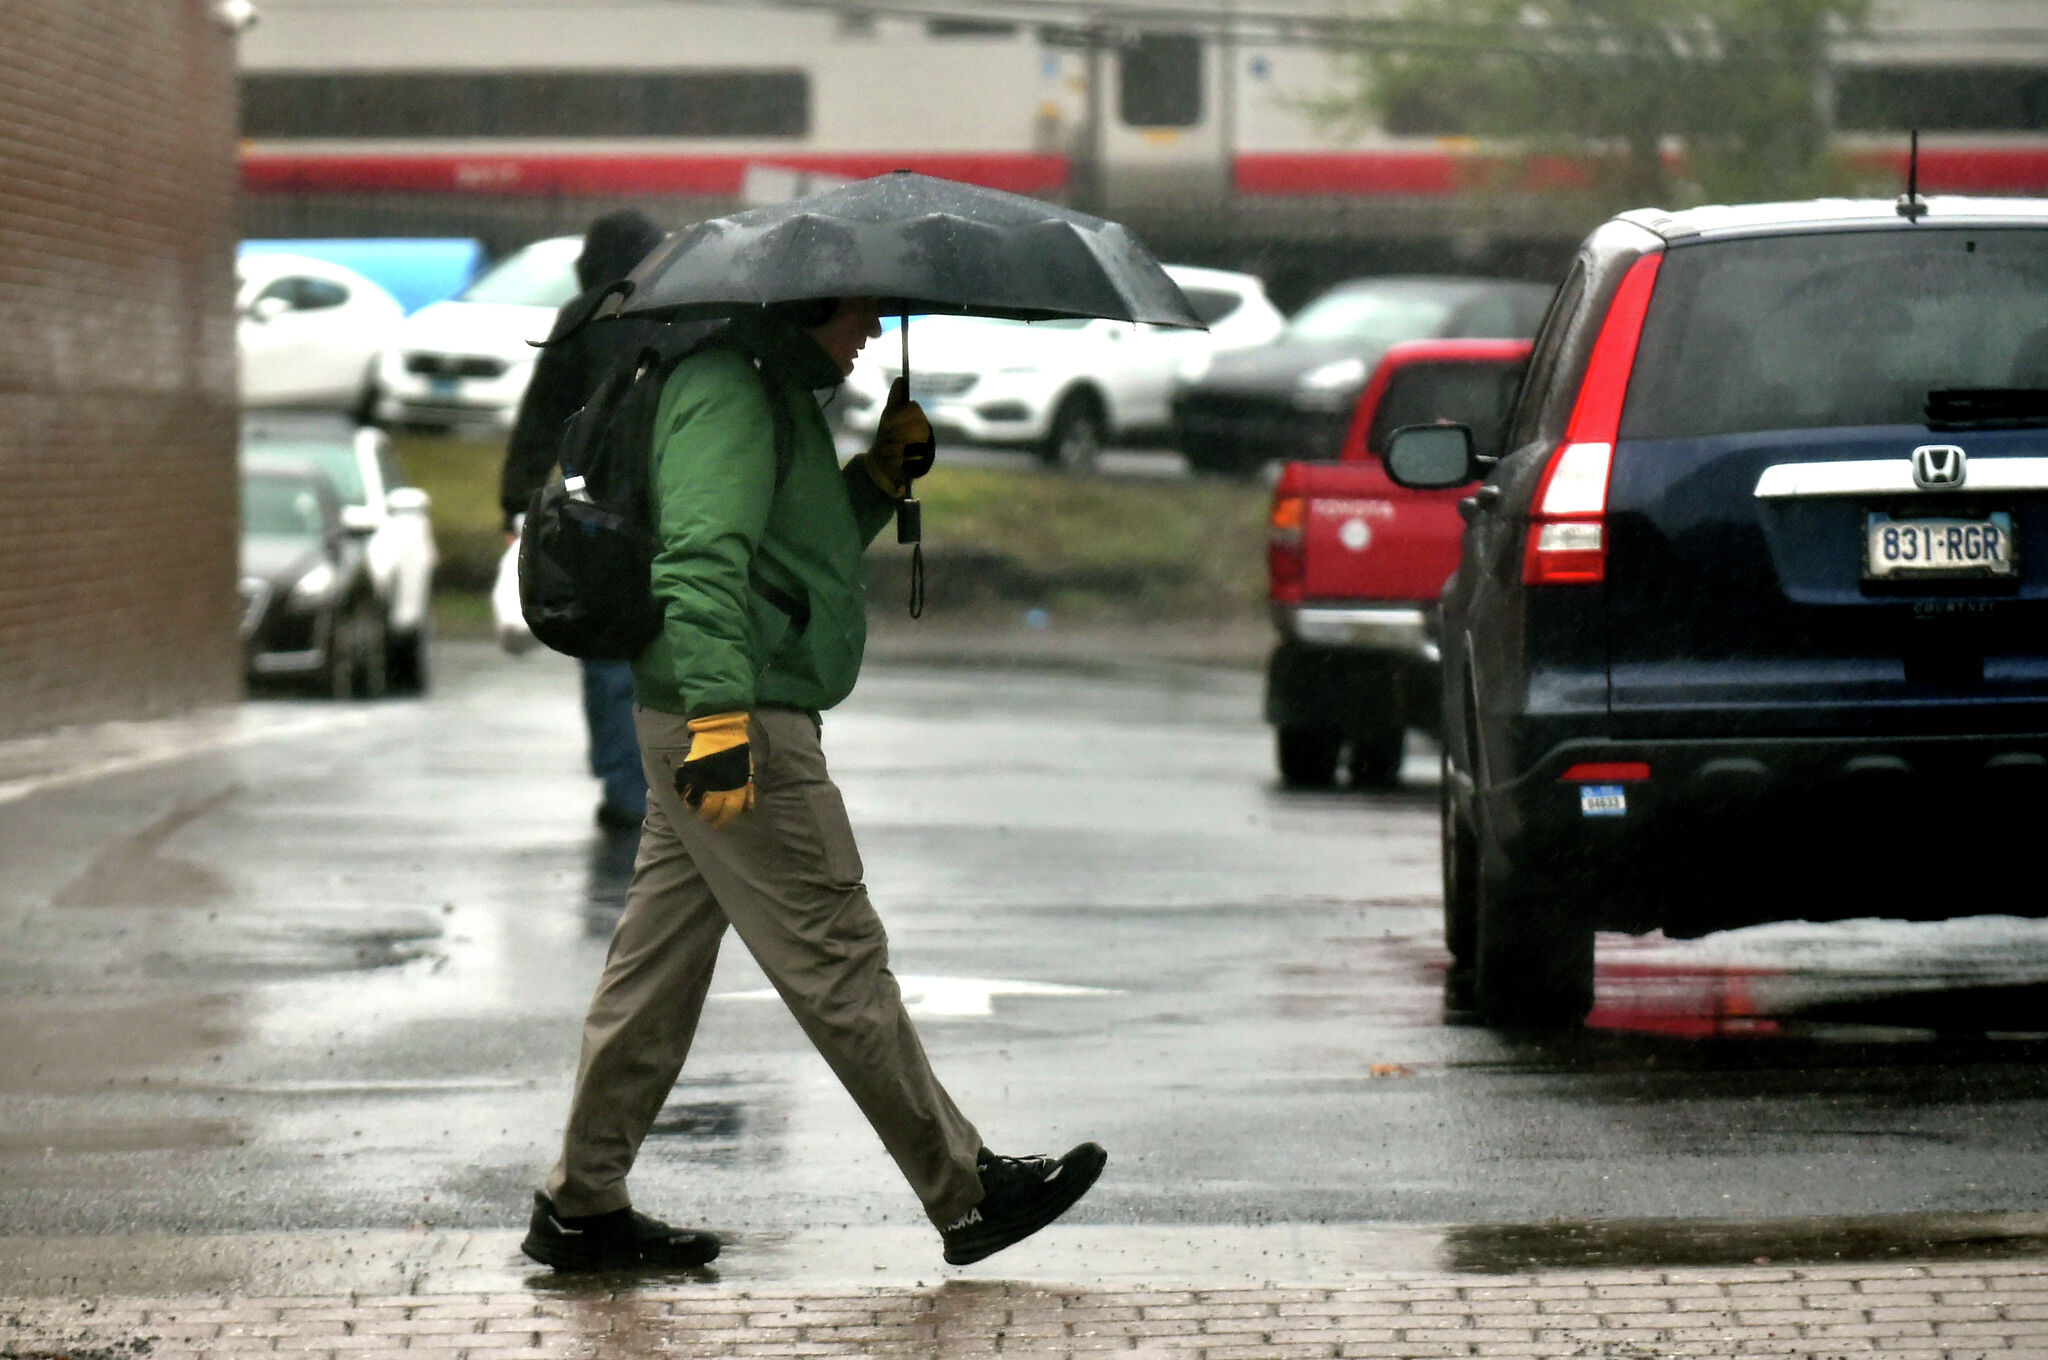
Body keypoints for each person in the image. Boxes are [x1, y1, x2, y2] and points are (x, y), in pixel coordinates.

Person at [520, 296, 1105, 1272]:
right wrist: (717, 720)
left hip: (712, 710)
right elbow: (701, 563)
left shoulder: (770, 391)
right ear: (807, 302)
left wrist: (878, 477)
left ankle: (582, 1205)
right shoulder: (729, 394)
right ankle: (966, 1192)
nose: (873, 329)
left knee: (652, 974)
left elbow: (792, 551)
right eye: (861, 311)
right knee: (837, 954)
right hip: (734, 716)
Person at [501, 208, 672, 832]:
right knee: (673, 641)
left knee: (607, 652)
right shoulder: (683, 311)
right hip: (675, 504)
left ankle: (624, 789)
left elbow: (541, 415)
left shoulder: (583, 317)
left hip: (600, 512)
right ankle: (668, 779)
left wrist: (516, 498)